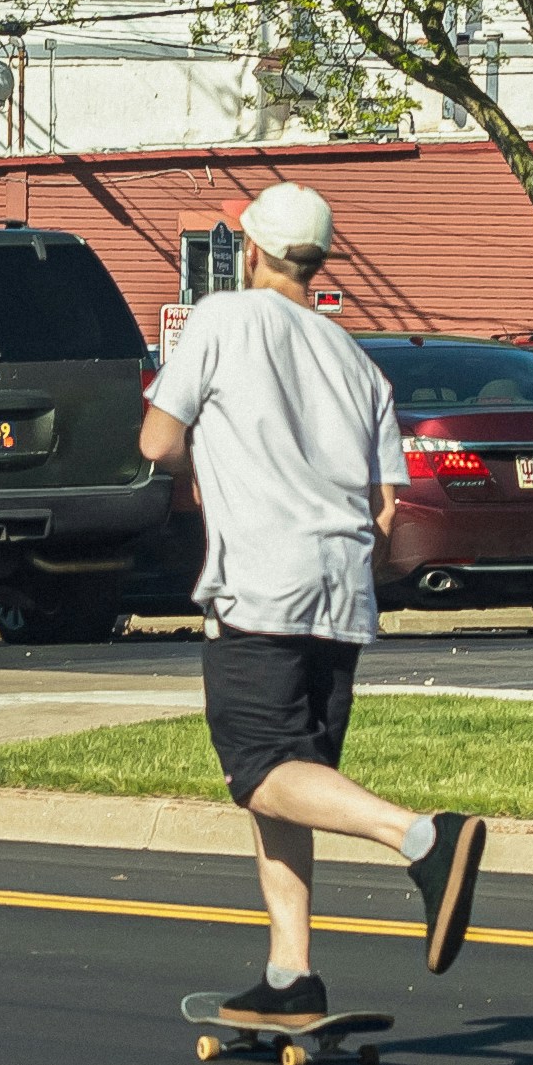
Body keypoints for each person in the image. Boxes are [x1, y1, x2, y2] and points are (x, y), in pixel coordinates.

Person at [137, 182, 486, 1019]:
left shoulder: (221, 319)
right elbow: (386, 507)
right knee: (295, 775)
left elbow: (157, 441)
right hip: (342, 592)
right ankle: (290, 973)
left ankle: (423, 839)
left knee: (257, 770)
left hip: (260, 582)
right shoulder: (356, 362)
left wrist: (213, 463)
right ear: (320, 263)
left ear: (249, 251)